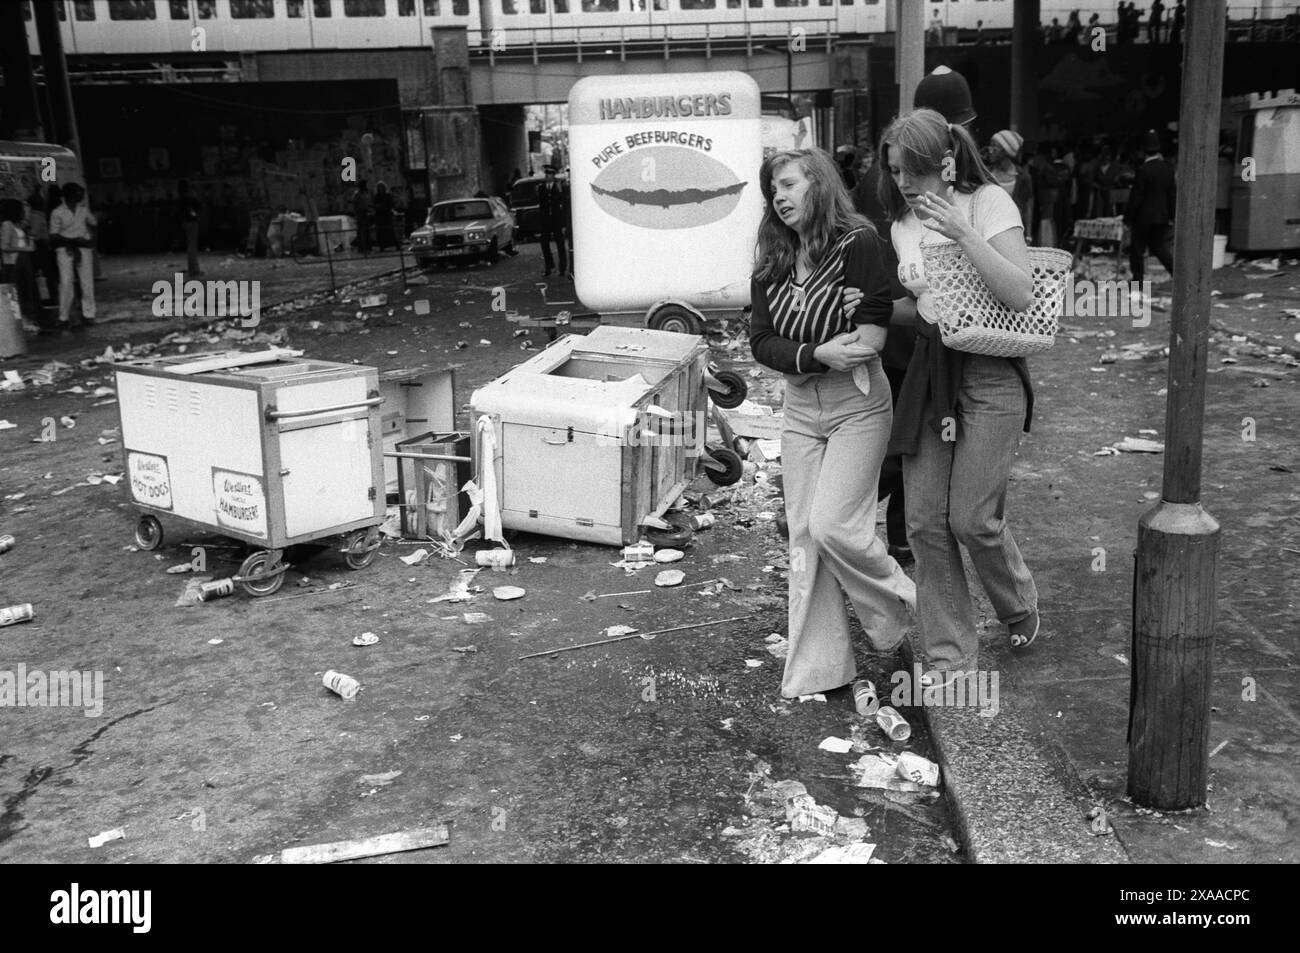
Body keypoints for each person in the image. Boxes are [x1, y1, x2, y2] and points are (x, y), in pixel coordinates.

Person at [847, 108, 1041, 687]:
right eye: (895, 170)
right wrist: (871, 305)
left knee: (973, 519)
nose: (902, 182)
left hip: (989, 372)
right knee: (926, 522)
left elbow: (1021, 291)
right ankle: (953, 656)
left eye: (912, 170)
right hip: (931, 375)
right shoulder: (902, 224)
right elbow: (927, 307)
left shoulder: (987, 203)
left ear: (946, 163)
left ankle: (1018, 603)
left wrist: (960, 231)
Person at [749, 147, 914, 699]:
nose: (780, 196)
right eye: (774, 189)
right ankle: (818, 670)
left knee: (833, 526)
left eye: (790, 184)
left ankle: (905, 608)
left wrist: (843, 339)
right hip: (800, 406)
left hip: (858, 404)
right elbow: (762, 342)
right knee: (802, 537)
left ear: (818, 185)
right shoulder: (772, 259)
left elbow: (871, 336)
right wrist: (817, 351)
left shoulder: (859, 243)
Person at [852, 144, 914, 568]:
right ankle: (855, 509)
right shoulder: (918, 194)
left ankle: (899, 536)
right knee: (907, 442)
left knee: (899, 436)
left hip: (882, 329)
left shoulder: (866, 188)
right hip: (902, 333)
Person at [1125, 130, 1176, 288]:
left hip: (1143, 217)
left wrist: (1128, 218)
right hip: (1161, 216)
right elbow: (1172, 195)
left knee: (1137, 250)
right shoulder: (1168, 169)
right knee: (1160, 248)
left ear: (1143, 150)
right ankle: (1177, 274)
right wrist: (1172, 215)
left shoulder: (1143, 170)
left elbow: (1136, 197)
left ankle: (1138, 282)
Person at [50, 182, 96, 329]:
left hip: (82, 248)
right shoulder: (57, 212)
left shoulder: (83, 210)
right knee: (65, 282)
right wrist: (75, 241)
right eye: (78, 192)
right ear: (70, 195)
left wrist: (91, 239)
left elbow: (93, 223)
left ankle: (89, 314)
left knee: (86, 282)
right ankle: (63, 317)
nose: (81, 195)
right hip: (65, 249)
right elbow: (54, 236)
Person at [1, 199, 40, 331]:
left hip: (22, 260)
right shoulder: (7, 225)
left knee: (26, 290)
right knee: (18, 292)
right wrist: (25, 249)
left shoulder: (16, 224)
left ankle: (26, 319)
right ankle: (21, 321)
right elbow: (4, 246)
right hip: (14, 262)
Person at [986, 130, 1033, 237]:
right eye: (990, 145)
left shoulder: (1022, 177)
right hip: (990, 229)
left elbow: (1028, 207)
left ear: (1006, 151)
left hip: (1014, 230)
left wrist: (1029, 235)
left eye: (995, 146)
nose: (990, 150)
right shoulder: (986, 175)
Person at [537, 164, 569, 277]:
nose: (548, 176)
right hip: (546, 221)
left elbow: (563, 204)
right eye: (547, 174)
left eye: (550, 174)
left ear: (553, 176)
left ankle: (562, 268)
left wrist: (564, 223)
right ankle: (549, 267)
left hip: (556, 221)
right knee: (544, 244)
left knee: (560, 244)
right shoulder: (541, 188)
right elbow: (541, 205)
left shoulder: (558, 187)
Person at [178, 179, 201, 276]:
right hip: (191, 221)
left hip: (185, 222)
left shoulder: (181, 198)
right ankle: (193, 269)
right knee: (192, 246)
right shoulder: (190, 198)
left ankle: (193, 268)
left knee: (190, 245)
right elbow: (199, 206)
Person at [373, 181, 397, 250]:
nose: (381, 189)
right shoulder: (377, 196)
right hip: (380, 216)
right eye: (379, 188)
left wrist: (384, 206)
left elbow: (391, 204)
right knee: (381, 232)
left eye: (382, 187)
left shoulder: (388, 195)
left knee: (390, 231)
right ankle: (382, 246)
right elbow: (375, 204)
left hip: (387, 215)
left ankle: (395, 244)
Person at [352, 179, 372, 253]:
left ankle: (368, 246)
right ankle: (362, 247)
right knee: (361, 232)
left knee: (367, 231)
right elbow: (356, 205)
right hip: (361, 214)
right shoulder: (357, 194)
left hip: (366, 213)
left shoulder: (366, 193)